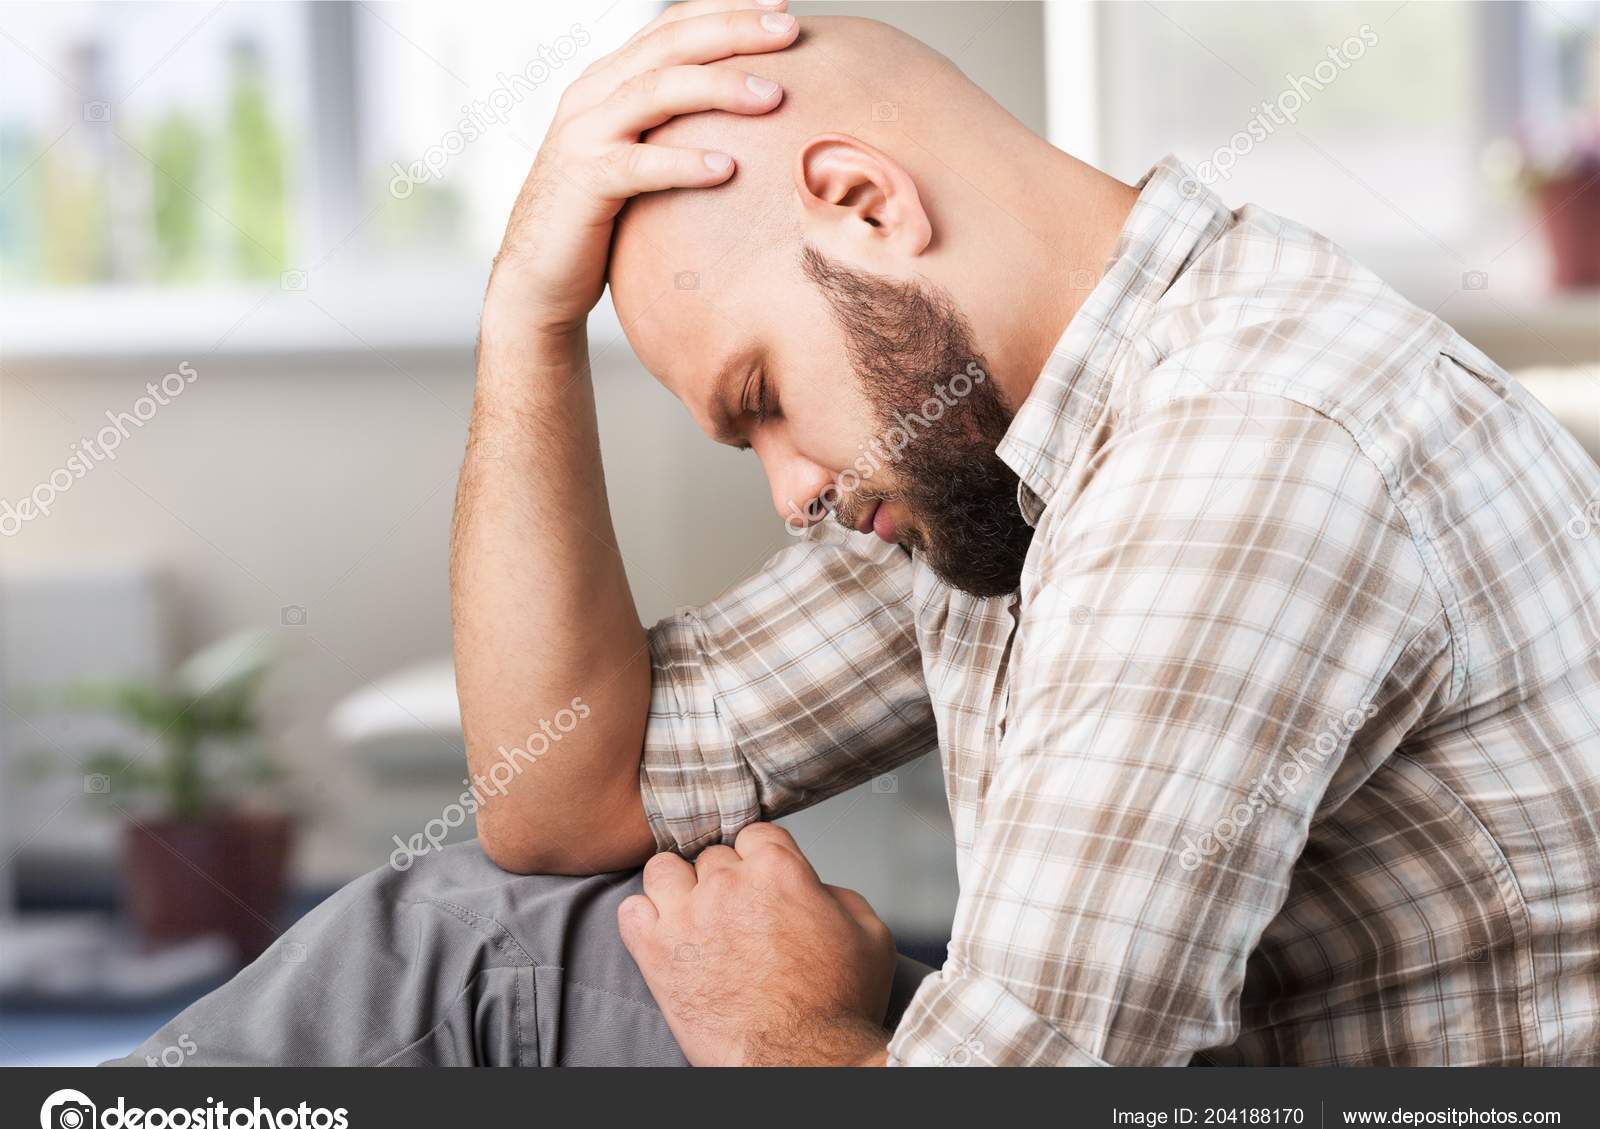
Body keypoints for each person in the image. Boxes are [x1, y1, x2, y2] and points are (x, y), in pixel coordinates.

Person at [113, 4, 1600, 1068]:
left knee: (491, 966)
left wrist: (787, 1035)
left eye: (761, 398)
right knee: (469, 930)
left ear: (866, 204)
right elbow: (555, 801)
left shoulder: (1248, 454)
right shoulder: (1014, 445)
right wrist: (524, 322)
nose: (790, 489)